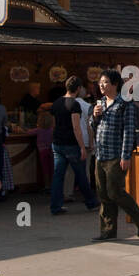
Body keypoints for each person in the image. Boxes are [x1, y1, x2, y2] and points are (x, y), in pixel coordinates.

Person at [90, 69, 139, 242]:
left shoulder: (124, 104)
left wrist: (126, 156)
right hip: (100, 154)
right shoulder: (100, 103)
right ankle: (108, 230)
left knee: (114, 192)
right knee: (103, 194)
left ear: (115, 84)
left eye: (105, 82)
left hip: (116, 155)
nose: (101, 85)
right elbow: (94, 126)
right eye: (100, 82)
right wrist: (94, 116)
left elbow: (129, 131)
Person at [48, 77, 100, 216]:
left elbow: (54, 124)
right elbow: (76, 127)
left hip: (57, 143)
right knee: (81, 174)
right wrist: (82, 146)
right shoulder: (74, 105)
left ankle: (55, 206)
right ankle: (91, 202)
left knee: (58, 175)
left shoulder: (56, 103)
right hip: (71, 143)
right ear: (78, 89)